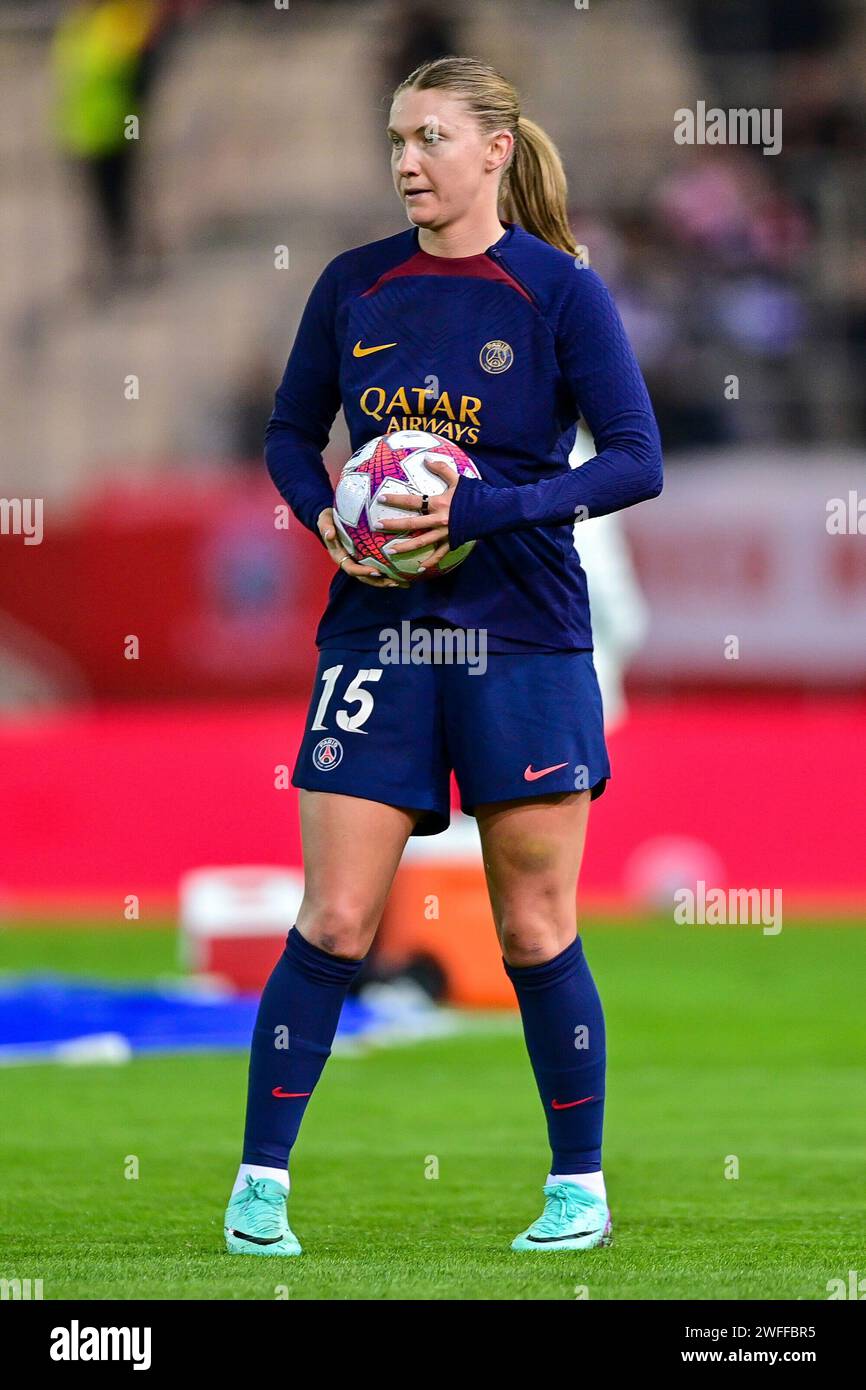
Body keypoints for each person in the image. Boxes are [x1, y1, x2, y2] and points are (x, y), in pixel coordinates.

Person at [224, 56, 662, 1257]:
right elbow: (284, 431)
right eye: (394, 141)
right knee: (335, 915)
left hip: (520, 628)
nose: (405, 161)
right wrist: (324, 515)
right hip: (379, 631)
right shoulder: (355, 283)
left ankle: (577, 1187)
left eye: (427, 138)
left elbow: (634, 459)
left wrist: (487, 511)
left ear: (492, 154)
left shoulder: (557, 293)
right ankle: (258, 1184)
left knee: (531, 924)